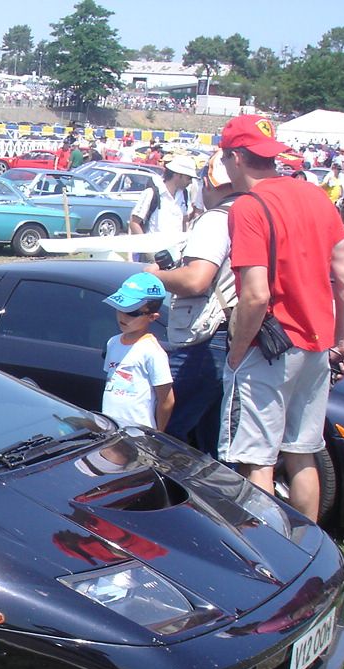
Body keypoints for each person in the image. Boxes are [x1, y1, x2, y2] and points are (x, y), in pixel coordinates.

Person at [218, 114, 344, 522]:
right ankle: (308, 547)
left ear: (236, 157)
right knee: (302, 452)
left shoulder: (247, 208)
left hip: (270, 349)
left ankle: (269, 556)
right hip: (316, 346)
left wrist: (237, 352)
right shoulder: (314, 195)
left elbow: (256, 294)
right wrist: (342, 339)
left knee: (256, 460)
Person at [145, 152, 238, 457]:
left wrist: (158, 276)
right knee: (214, 436)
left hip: (208, 334)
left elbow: (196, 280)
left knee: (165, 428)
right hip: (234, 333)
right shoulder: (251, 214)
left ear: (209, 183)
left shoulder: (216, 220)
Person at [100, 272, 174, 431]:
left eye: (132, 312)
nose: (122, 316)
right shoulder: (112, 343)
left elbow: (167, 400)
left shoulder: (153, 352)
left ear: (152, 317)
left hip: (139, 434)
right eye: (119, 308)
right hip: (110, 429)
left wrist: (158, 434)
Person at [129, 154, 195, 237]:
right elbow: (134, 223)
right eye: (189, 178)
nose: (191, 182)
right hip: (155, 249)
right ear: (177, 175)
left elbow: (184, 221)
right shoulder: (152, 193)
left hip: (175, 248)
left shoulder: (184, 195)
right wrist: (146, 247)